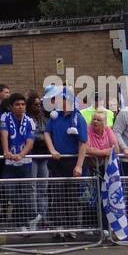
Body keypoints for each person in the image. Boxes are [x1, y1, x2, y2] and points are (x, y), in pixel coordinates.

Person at [43, 91, 89, 233]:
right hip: (58, 162)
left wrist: (79, 166)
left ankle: (73, 227)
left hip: (73, 161)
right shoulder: (55, 117)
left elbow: (83, 143)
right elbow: (47, 133)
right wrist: (52, 150)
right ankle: (59, 226)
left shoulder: (78, 118)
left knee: (73, 196)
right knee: (58, 196)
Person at [0, 94, 37, 228]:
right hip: (9, 164)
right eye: (17, 104)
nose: (20, 107)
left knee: (26, 193)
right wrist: (6, 151)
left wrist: (21, 155)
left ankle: (23, 223)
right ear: (11, 106)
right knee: (10, 192)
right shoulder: (5, 117)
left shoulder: (31, 121)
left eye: (23, 104)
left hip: (25, 163)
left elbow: (30, 142)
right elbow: (4, 134)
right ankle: (33, 215)